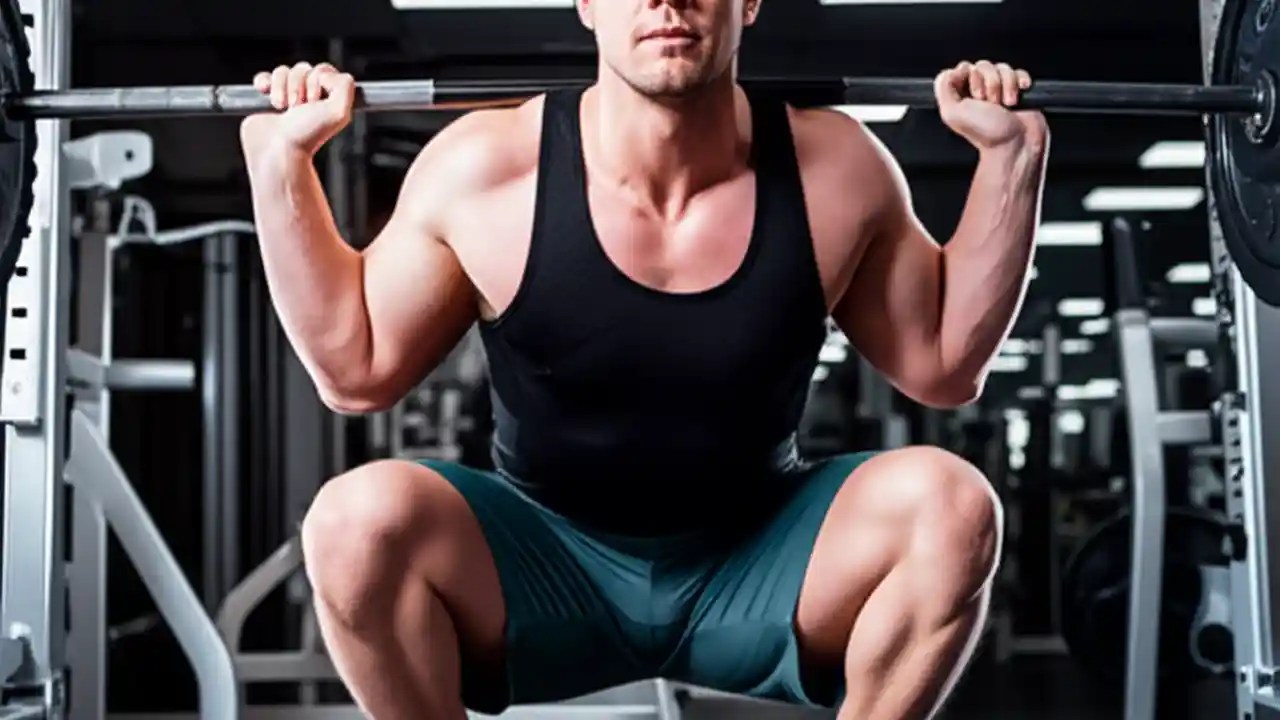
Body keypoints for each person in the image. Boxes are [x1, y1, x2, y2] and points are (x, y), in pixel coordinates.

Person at [239, 0, 1048, 718]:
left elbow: (943, 365)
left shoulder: (835, 166)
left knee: (951, 507)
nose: (667, 0)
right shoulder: (487, 168)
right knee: (353, 522)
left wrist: (1012, 159)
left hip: (760, 563)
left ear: (749, 2)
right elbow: (357, 371)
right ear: (587, 3)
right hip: (542, 568)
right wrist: (280, 168)